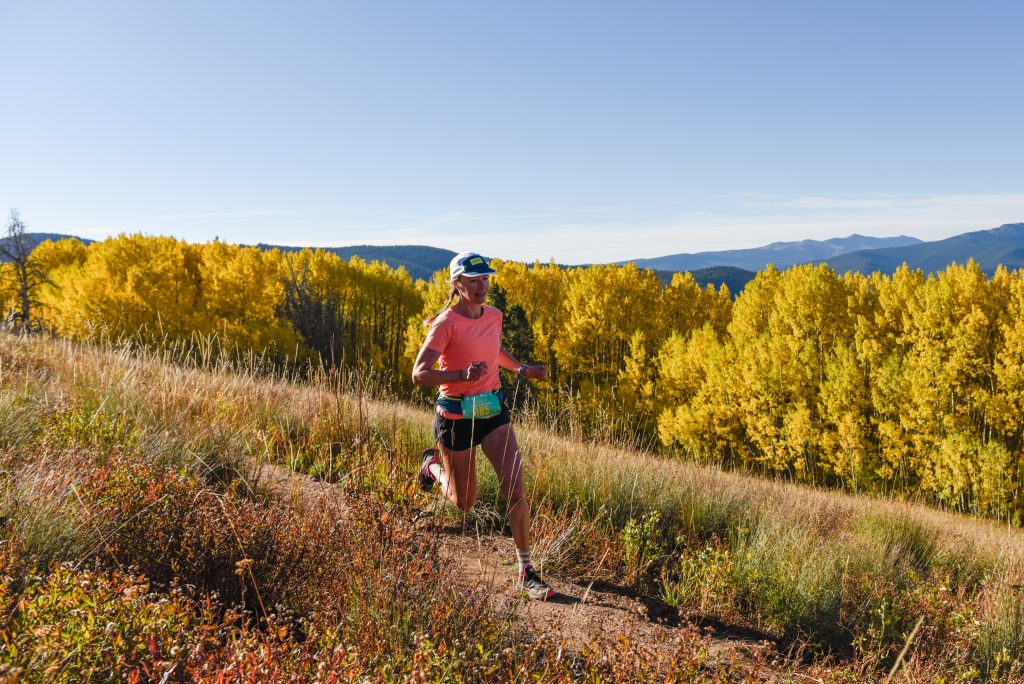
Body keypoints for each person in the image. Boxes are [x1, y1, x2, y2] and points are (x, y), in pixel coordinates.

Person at [412, 251, 553, 601]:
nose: (482, 286)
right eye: (474, 281)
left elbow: (494, 352)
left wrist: (520, 369)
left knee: (515, 487)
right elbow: (419, 374)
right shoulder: (446, 324)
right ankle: (432, 467)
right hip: (456, 416)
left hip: (492, 411)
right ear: (457, 285)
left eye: (486, 279)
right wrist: (460, 375)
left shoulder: (494, 315)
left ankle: (526, 571)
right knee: (464, 501)